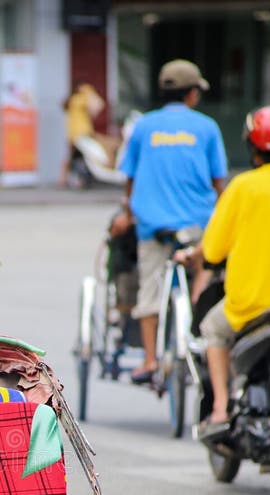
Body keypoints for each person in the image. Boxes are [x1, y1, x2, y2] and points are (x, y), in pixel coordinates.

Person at [115, 59, 228, 383]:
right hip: (196, 223)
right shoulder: (207, 127)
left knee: (150, 286)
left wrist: (128, 213)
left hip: (152, 223)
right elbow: (218, 183)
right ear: (192, 94)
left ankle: (150, 361)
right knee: (203, 273)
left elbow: (130, 178)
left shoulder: (144, 126)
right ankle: (197, 333)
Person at [183, 105, 270, 437]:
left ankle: (220, 408)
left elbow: (212, 250)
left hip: (253, 305)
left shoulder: (242, 187)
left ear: (254, 149)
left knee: (212, 328)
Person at [59, 82, 120, 188]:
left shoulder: (73, 100)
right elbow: (99, 104)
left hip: (73, 134)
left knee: (70, 157)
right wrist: (89, 91)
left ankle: (62, 180)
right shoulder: (81, 99)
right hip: (83, 133)